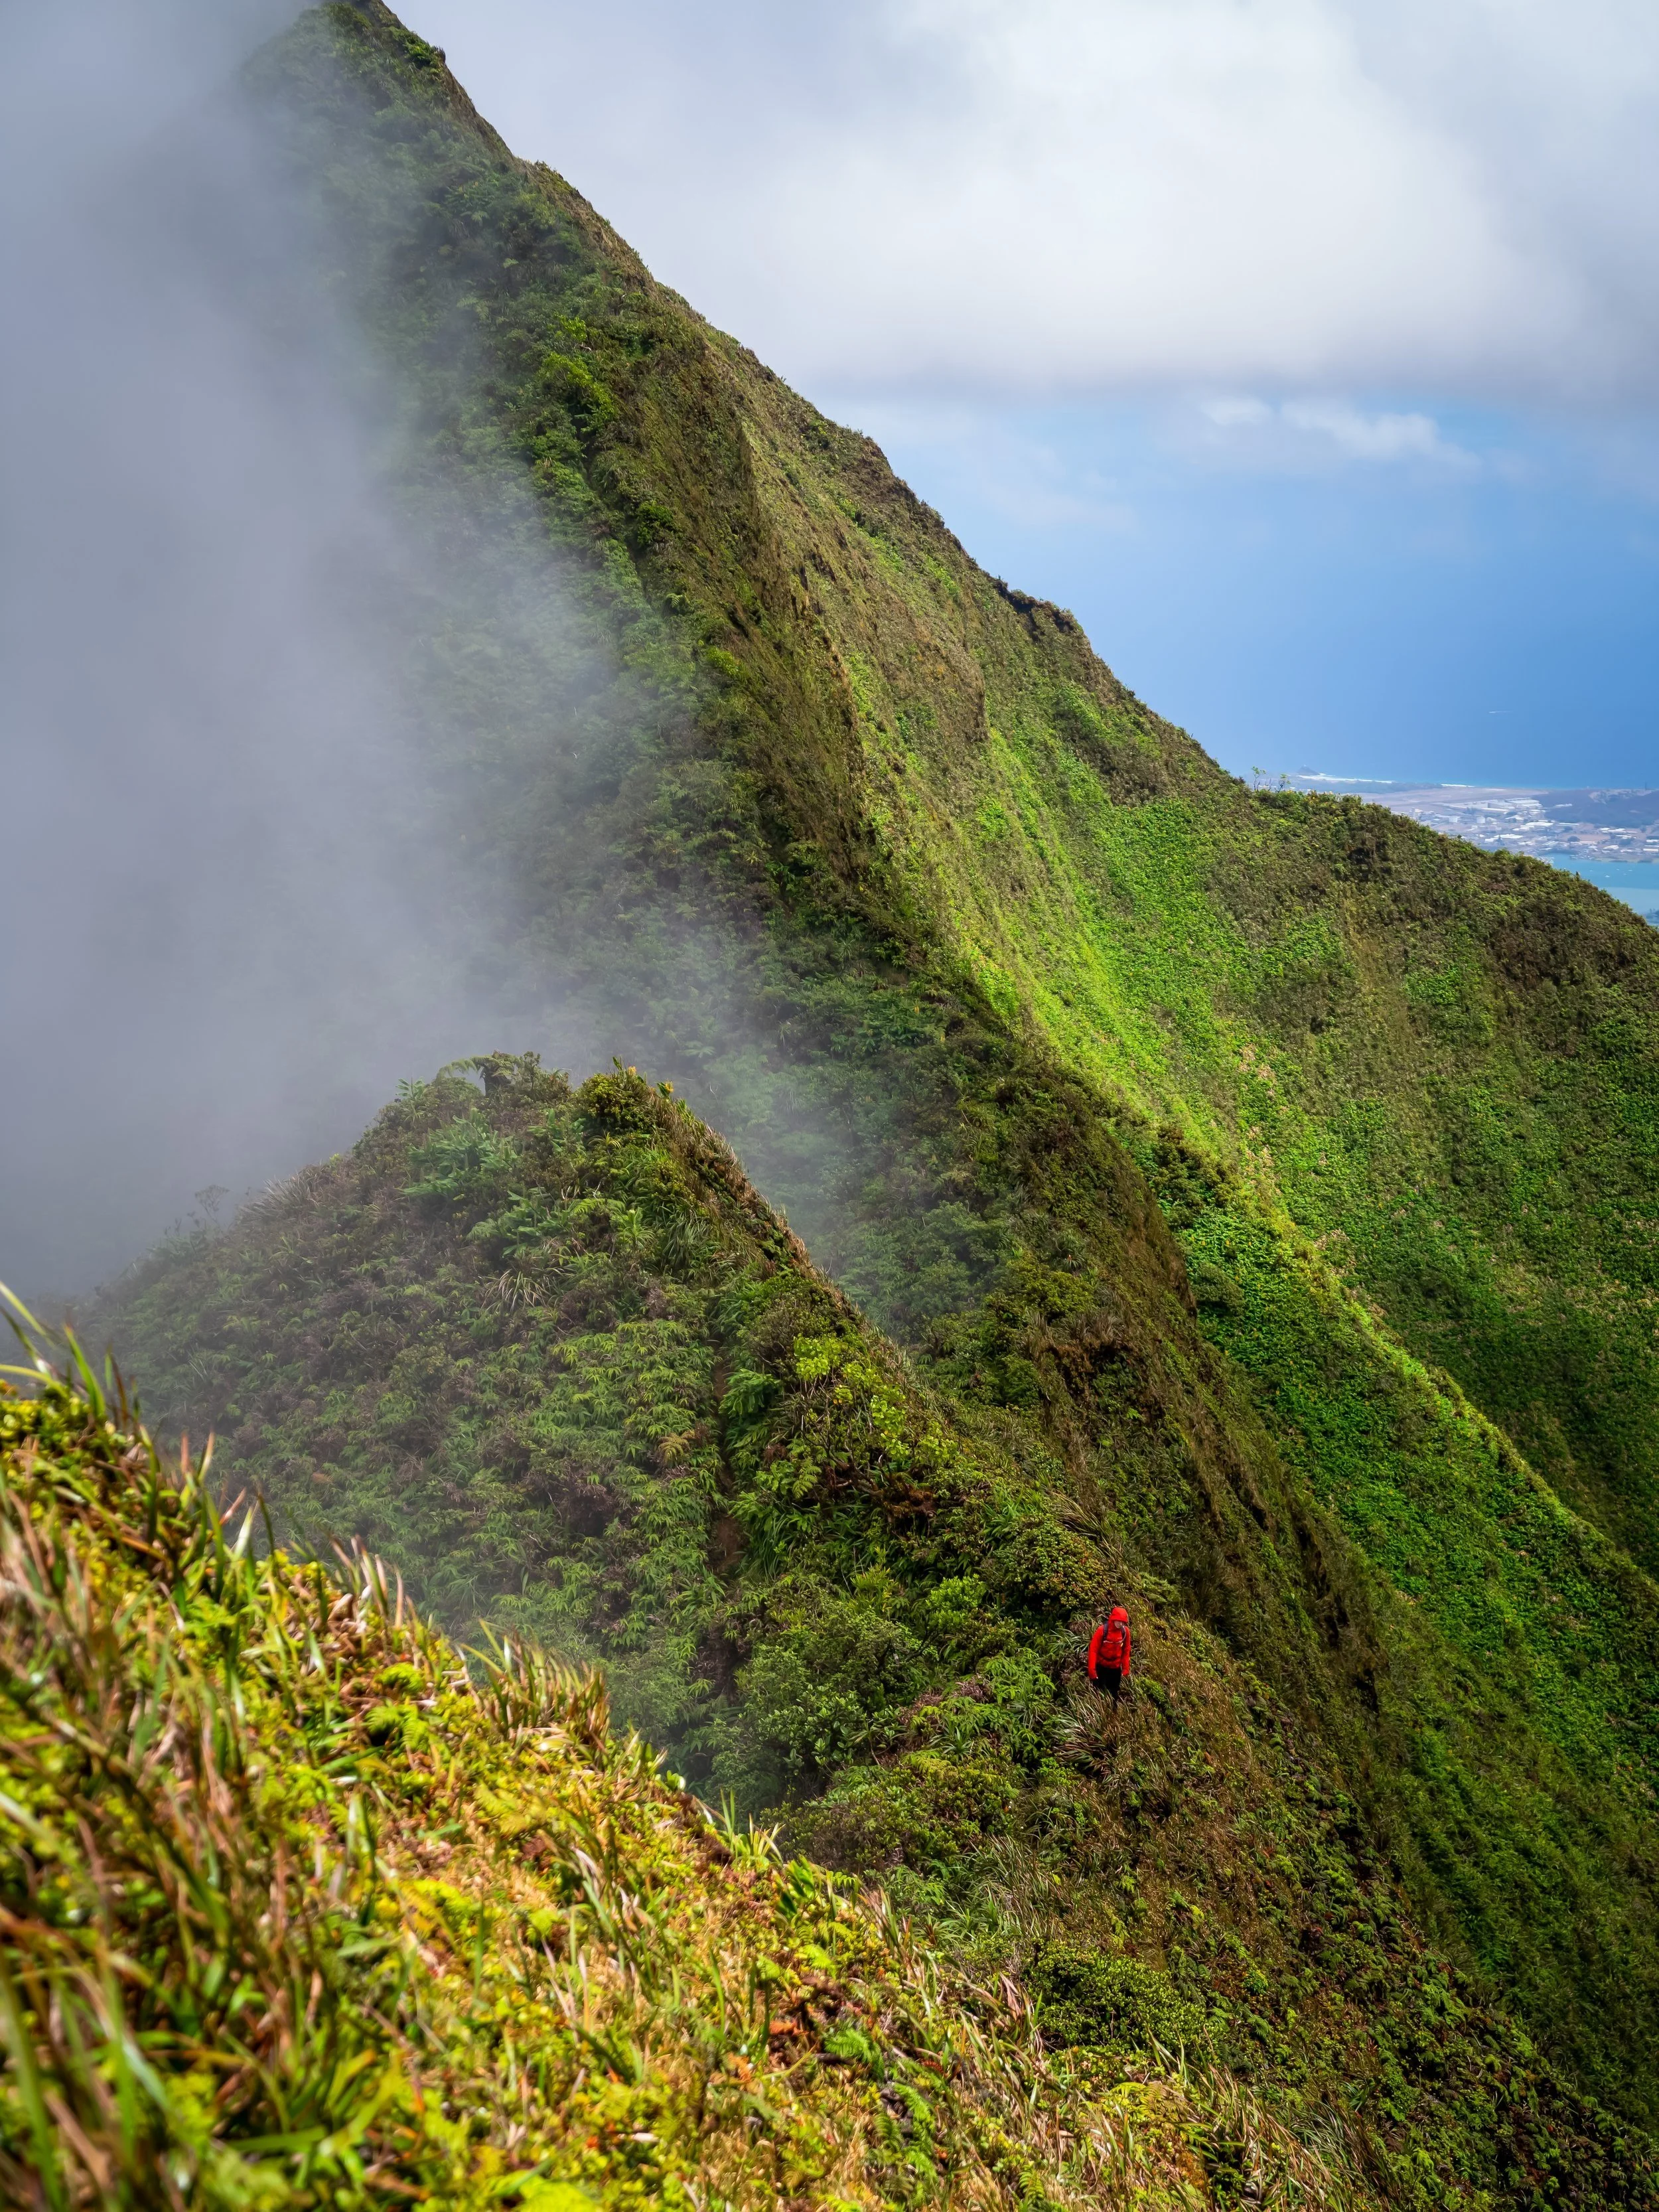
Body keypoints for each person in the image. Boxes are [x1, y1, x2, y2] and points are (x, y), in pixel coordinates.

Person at [1087, 1604, 1131, 1705]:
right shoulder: (1102, 1631)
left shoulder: (1125, 1632)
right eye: (1119, 1621)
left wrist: (1125, 1669)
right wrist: (1092, 1672)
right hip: (1101, 1668)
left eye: (1123, 1622)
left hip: (1115, 1669)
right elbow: (1093, 1650)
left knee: (1114, 1695)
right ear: (1113, 1618)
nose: (1121, 1624)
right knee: (1098, 1693)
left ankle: (1113, 1715)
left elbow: (1126, 1650)